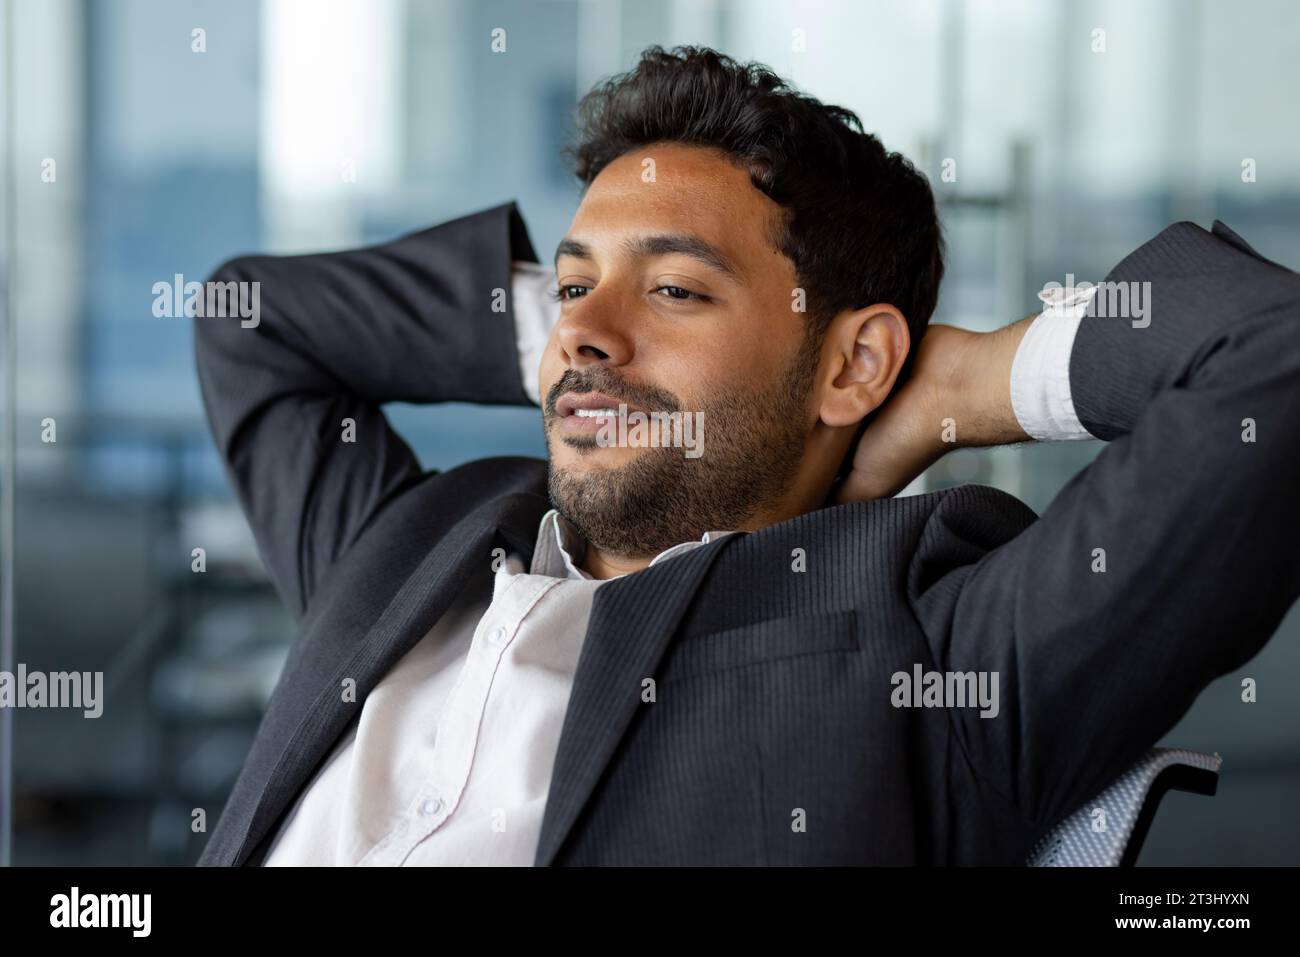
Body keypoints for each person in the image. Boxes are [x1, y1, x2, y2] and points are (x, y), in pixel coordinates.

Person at [193, 46, 1300, 866]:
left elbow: (1276, 360)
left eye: (677, 288)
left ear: (854, 363)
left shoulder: (926, 650)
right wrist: (598, 332)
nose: (580, 327)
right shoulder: (410, 545)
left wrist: (962, 386)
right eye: (571, 288)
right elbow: (255, 321)